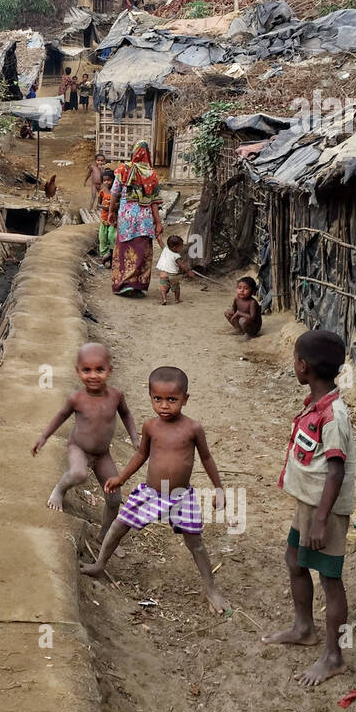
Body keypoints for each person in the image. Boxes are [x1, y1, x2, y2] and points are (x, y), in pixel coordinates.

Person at [80, 366, 230, 615]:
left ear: (185, 399)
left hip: (181, 497)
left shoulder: (193, 429)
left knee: (196, 544)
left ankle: (211, 589)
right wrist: (121, 478)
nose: (164, 405)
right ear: (150, 397)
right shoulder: (151, 427)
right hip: (150, 493)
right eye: (157, 399)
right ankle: (99, 564)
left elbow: (206, 458)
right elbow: (141, 455)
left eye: (172, 400)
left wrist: (219, 489)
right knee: (119, 526)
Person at [262, 330, 355, 687]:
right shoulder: (316, 406)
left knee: (331, 580)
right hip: (311, 505)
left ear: (303, 366)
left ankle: (334, 656)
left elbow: (335, 470)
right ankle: (304, 627)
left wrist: (319, 521)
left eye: (295, 357)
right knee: (294, 561)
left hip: (324, 512)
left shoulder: (334, 416)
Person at [35, 344, 138, 556]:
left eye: (99, 370)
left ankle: (104, 536)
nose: (93, 376)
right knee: (79, 473)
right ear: (78, 371)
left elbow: (126, 414)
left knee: (114, 498)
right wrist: (44, 436)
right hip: (78, 448)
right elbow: (61, 416)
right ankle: (60, 490)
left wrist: (135, 436)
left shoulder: (116, 396)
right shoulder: (77, 398)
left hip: (102, 454)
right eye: (87, 370)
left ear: (110, 370)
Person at [109, 139, 163, 297]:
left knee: (124, 248)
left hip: (127, 216)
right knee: (142, 250)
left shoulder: (124, 169)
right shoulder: (151, 174)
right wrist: (158, 222)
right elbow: (154, 202)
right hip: (145, 219)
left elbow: (114, 192)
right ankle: (138, 285)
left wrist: (111, 211)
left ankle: (123, 283)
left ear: (134, 153)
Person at [156, 234, 202, 305]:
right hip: (173, 275)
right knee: (176, 288)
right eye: (181, 246)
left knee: (163, 288)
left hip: (163, 274)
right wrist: (189, 271)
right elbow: (182, 265)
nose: (182, 247)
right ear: (174, 248)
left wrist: (159, 236)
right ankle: (177, 299)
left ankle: (164, 299)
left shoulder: (165, 249)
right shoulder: (176, 255)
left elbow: (160, 242)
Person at [98, 171, 116, 267]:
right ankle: (104, 257)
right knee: (102, 238)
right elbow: (98, 203)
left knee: (112, 237)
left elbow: (118, 204)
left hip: (113, 220)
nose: (106, 182)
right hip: (104, 219)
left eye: (109, 180)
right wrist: (104, 207)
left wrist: (112, 208)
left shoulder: (116, 192)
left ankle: (112, 256)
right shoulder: (102, 192)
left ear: (113, 180)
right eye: (104, 180)